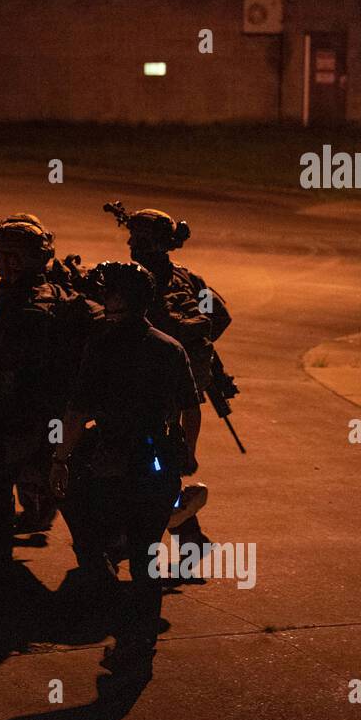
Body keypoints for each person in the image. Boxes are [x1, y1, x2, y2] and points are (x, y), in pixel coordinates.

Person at [50, 261, 201, 681]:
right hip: (159, 463)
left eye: (111, 292)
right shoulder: (170, 347)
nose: (105, 298)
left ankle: (124, 632)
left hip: (114, 463)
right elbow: (191, 408)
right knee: (146, 556)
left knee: (99, 542)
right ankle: (139, 641)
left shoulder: (103, 345)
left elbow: (78, 411)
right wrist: (187, 454)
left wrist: (61, 457)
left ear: (124, 298)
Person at [0, 214, 95, 561]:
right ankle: (87, 549)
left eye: (2, 256)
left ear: (17, 259)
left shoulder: (28, 306)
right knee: (54, 476)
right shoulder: (57, 292)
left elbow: (9, 363)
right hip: (56, 410)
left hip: (21, 411)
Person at [116, 205, 232, 539]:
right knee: (158, 461)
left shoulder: (138, 282)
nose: (132, 244)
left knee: (147, 461)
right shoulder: (185, 276)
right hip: (176, 387)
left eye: (138, 238)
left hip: (151, 386)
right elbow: (219, 315)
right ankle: (189, 540)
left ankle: (139, 538)